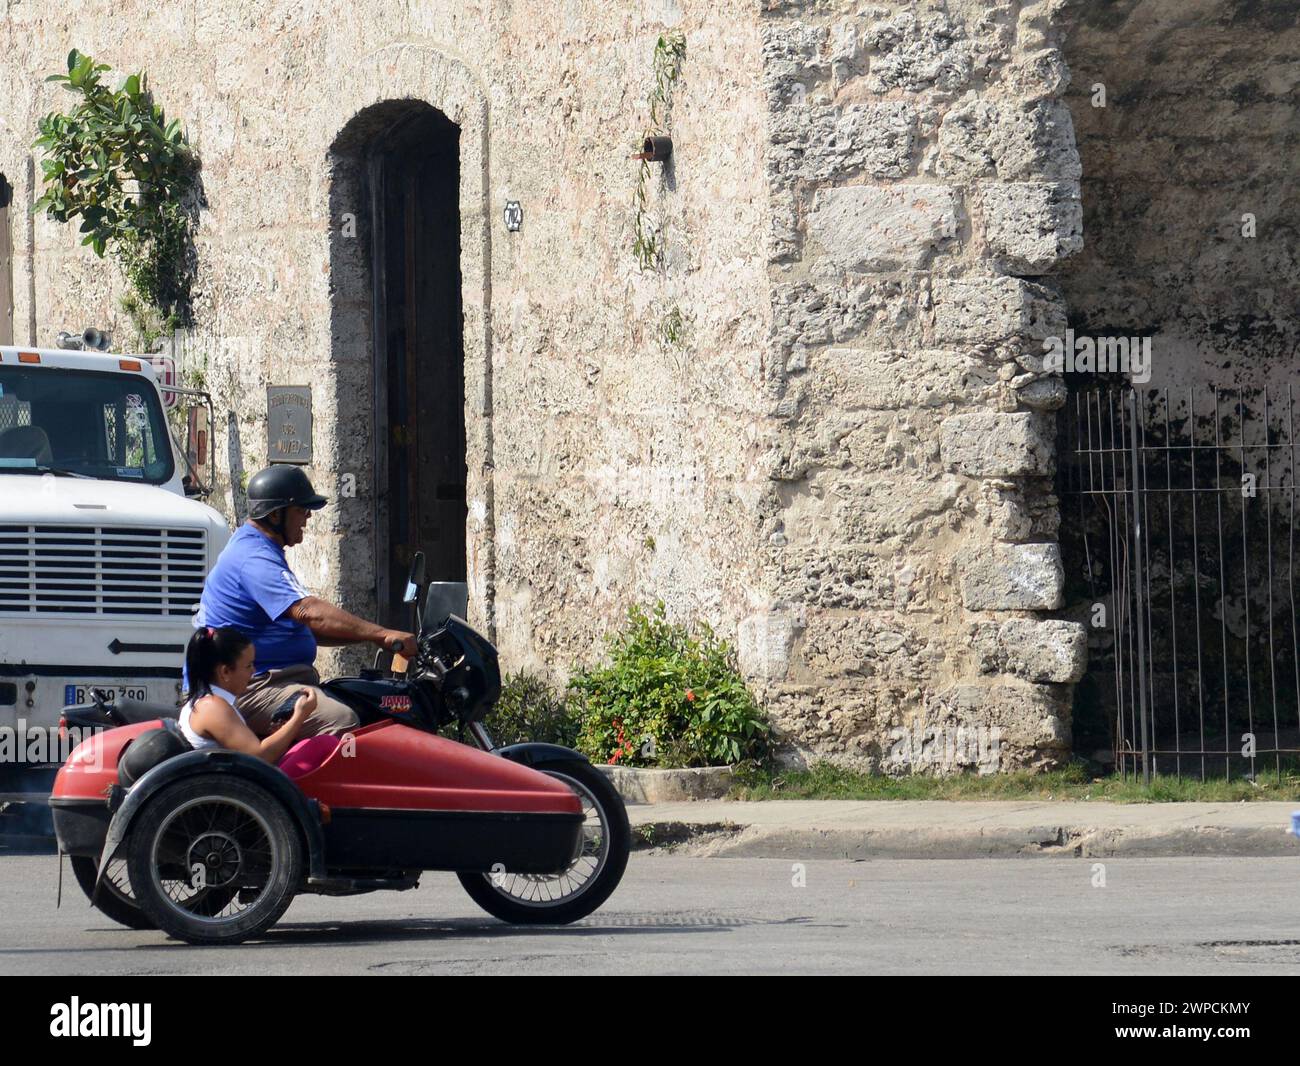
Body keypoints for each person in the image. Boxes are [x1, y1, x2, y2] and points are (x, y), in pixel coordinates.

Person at [196, 465, 415, 738]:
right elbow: (307, 611)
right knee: (341, 721)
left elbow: (308, 628)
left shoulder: (259, 549)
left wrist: (371, 637)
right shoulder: (253, 557)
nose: (308, 517)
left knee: (362, 700)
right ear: (275, 515)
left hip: (271, 682)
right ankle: (284, 781)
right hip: (251, 687)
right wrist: (382, 634)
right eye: (301, 509)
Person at [177, 626, 314, 764]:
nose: (253, 671)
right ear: (225, 672)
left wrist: (281, 732)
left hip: (232, 781)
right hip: (228, 783)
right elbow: (259, 758)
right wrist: (299, 716)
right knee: (320, 746)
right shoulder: (212, 707)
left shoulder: (206, 703)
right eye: (248, 666)